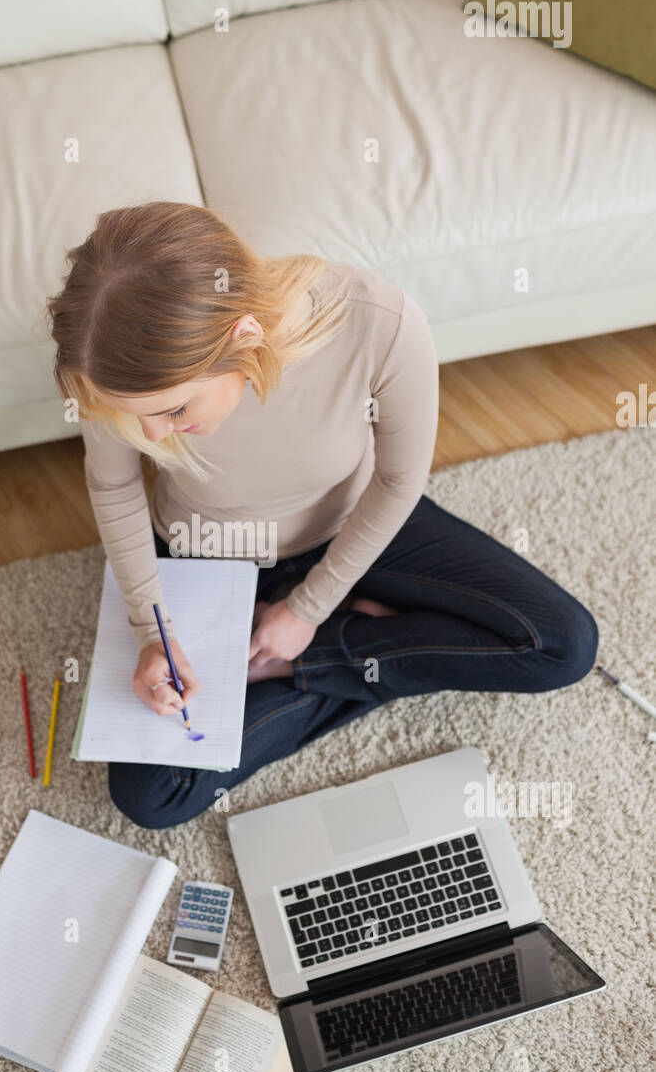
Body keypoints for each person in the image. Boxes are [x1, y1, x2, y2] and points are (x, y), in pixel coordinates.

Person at [47, 201, 598, 829]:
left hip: (358, 520)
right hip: (207, 545)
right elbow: (116, 489)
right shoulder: (111, 358)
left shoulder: (380, 324)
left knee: (562, 645)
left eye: (172, 413)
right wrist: (153, 631)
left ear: (244, 339)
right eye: (132, 417)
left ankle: (310, 658)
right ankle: (383, 652)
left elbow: (398, 480)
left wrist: (308, 614)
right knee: (150, 796)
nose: (148, 435)